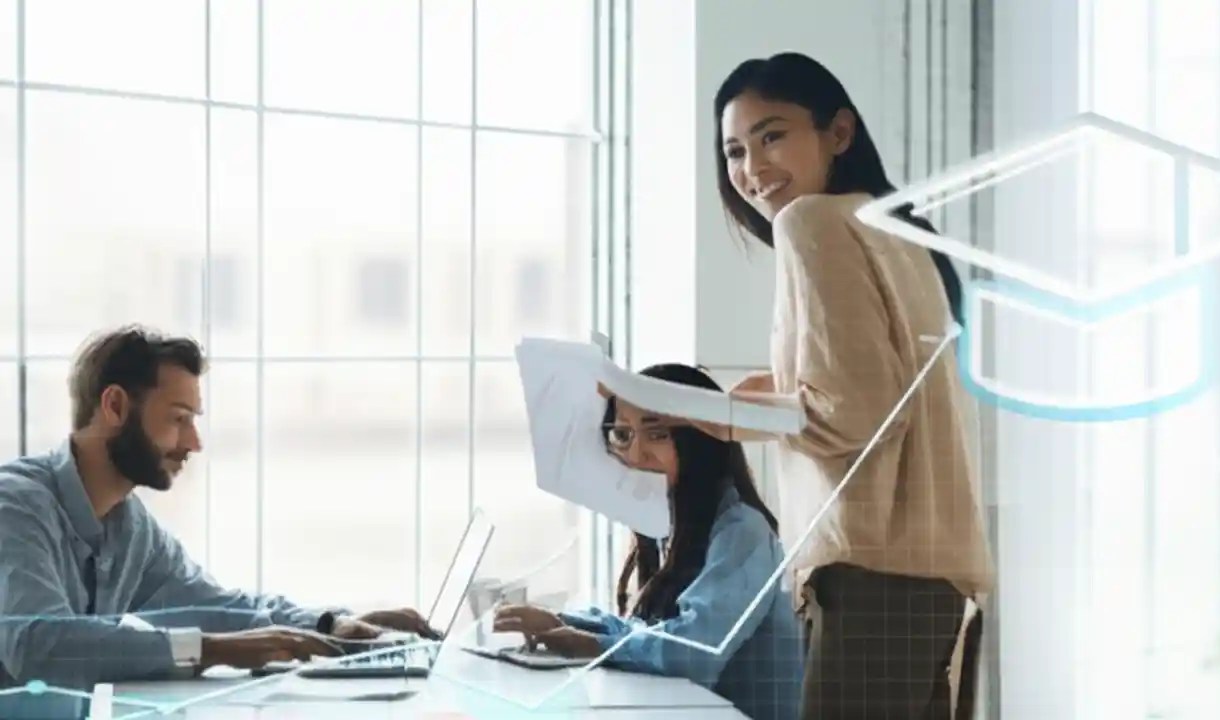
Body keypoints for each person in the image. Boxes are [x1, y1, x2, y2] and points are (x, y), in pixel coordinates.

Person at [708, 52, 995, 719]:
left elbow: (853, 418)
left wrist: (729, 421)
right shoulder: (898, 232)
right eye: (735, 151)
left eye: (772, 136)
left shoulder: (808, 222)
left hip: (870, 576)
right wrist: (772, 389)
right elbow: (888, 386)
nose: (752, 168)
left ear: (838, 132)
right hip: (931, 579)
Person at [0, 325, 438, 688]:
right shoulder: (16, 506)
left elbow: (218, 605)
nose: (194, 443)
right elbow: (39, 647)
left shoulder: (129, 526)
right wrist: (212, 650)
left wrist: (328, 624)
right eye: (179, 418)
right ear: (114, 406)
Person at [492, 364, 803, 720]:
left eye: (656, 434)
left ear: (701, 441)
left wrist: (593, 645)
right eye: (623, 434)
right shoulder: (671, 522)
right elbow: (650, 633)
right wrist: (564, 623)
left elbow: (693, 652)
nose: (635, 455)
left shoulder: (742, 531)